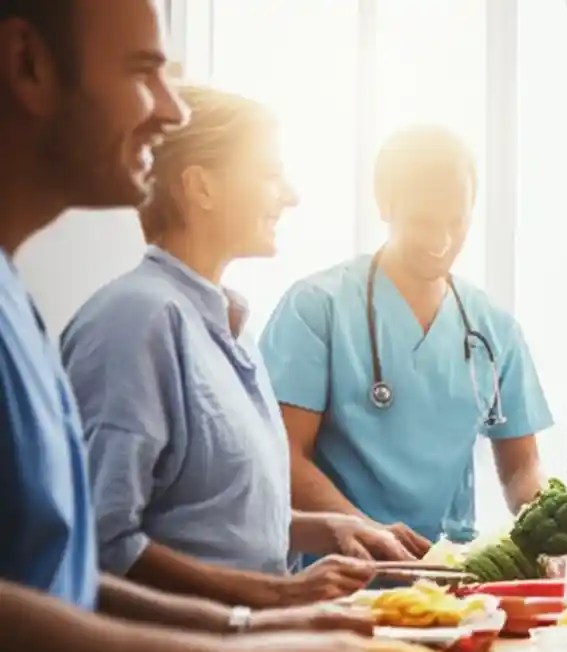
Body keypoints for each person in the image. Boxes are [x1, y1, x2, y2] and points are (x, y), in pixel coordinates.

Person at [0, 1, 420, 652]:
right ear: (28, 65)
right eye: (142, 71)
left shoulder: (27, 305)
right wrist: (258, 619)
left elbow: (63, 567)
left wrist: (287, 585)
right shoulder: (132, 319)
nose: (169, 110)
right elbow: (107, 544)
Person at [61, 84, 417, 609]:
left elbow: (210, 517)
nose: (290, 195)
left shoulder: (230, 329)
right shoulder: (135, 322)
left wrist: (327, 529)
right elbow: (104, 544)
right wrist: (279, 593)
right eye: (270, 174)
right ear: (200, 187)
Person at [260, 125, 553, 544]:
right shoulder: (317, 307)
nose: (442, 240)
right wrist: (370, 535)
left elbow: (522, 469)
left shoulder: (493, 329)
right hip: (339, 571)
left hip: (446, 572)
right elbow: (284, 455)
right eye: (423, 221)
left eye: (457, 221)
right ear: (384, 203)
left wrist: (560, 522)